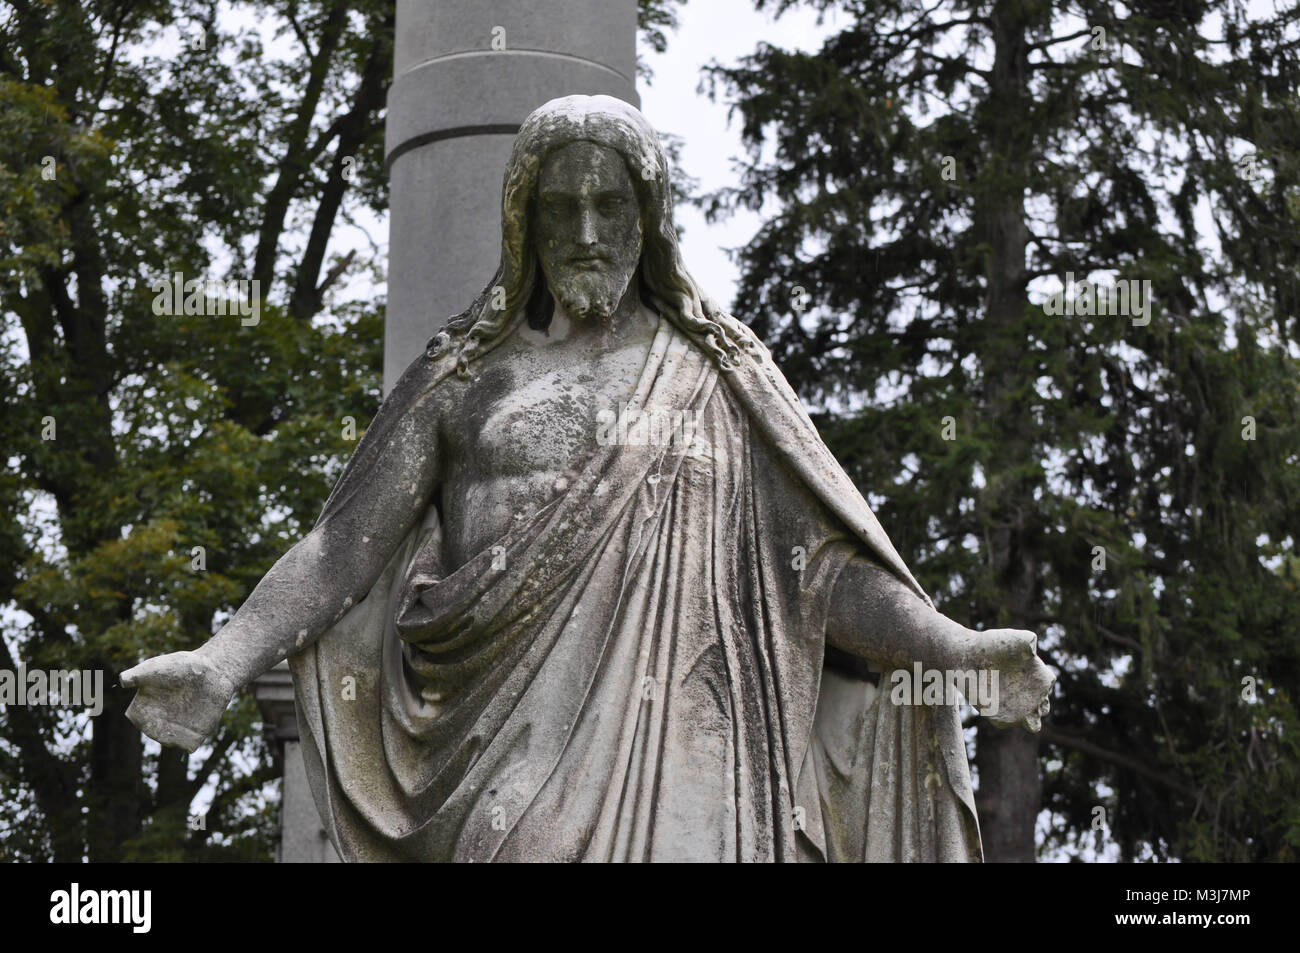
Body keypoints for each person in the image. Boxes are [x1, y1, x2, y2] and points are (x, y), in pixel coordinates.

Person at [123, 94, 1053, 862]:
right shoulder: (464, 382)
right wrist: (222, 659)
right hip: (505, 766)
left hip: (698, 763)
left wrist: (951, 647)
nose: (587, 232)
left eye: (610, 206)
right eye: (559, 208)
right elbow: (339, 553)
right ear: (523, 222)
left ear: (646, 219)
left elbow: (815, 576)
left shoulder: (717, 376)